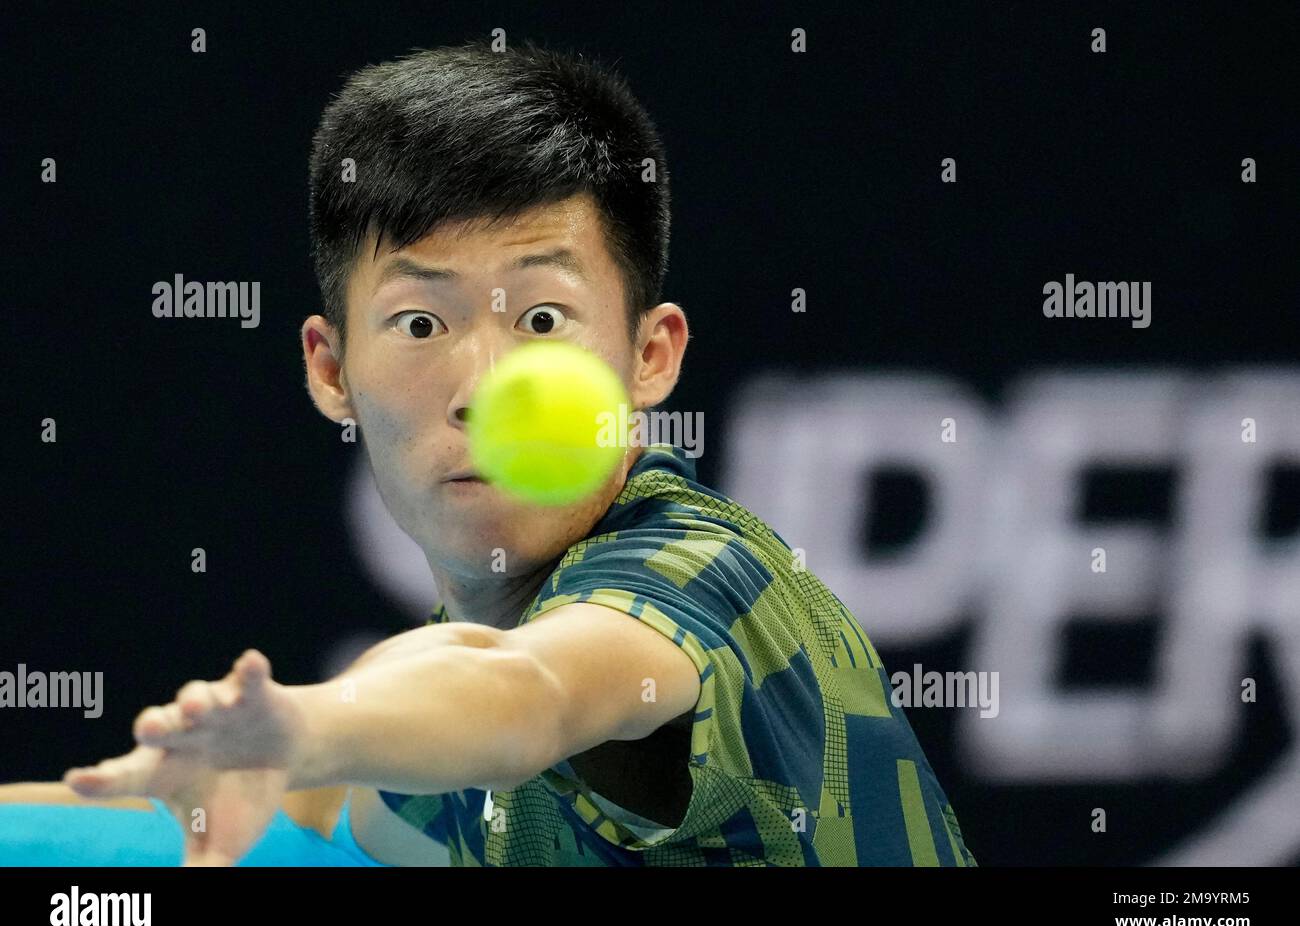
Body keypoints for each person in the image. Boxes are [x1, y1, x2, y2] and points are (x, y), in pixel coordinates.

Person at [0, 39, 976, 867]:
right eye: (421, 321)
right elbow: (300, 809)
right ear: (331, 368)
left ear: (649, 354)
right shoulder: (423, 700)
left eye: (543, 315)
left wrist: (303, 728)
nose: (481, 386)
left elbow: (533, 694)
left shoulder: (704, 574)